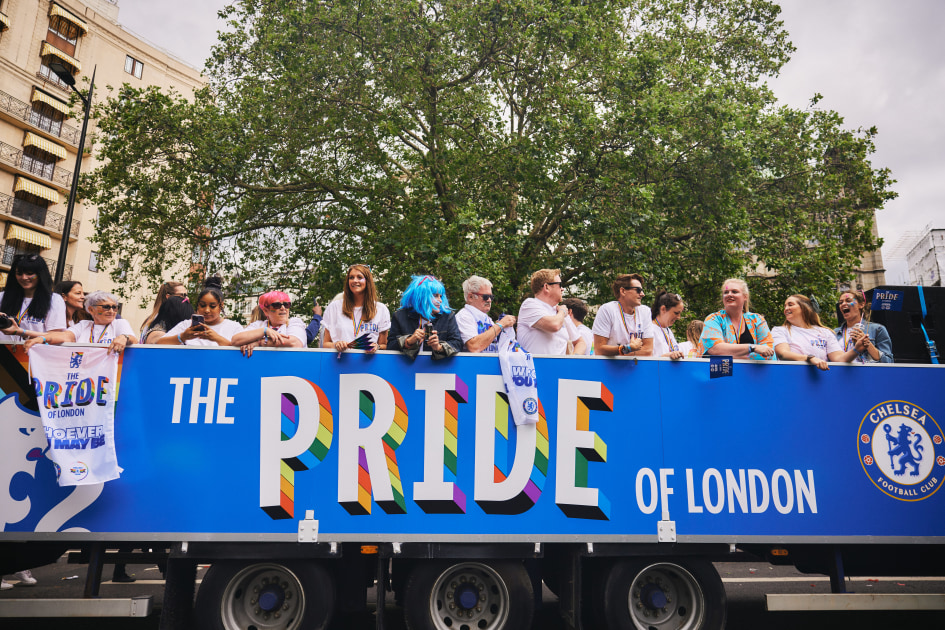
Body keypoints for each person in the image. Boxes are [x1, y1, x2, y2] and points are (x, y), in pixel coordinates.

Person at [25, 291, 135, 354]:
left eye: (114, 307)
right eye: (106, 307)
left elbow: (133, 339)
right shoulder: (84, 325)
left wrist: (124, 337)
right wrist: (43, 339)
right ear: (91, 310)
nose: (111, 311)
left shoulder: (119, 323)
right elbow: (65, 336)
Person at [697, 278, 775, 360]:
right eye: (726, 292)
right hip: (721, 371)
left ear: (745, 296)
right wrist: (752, 348)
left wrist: (730, 355)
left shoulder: (757, 320)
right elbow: (714, 348)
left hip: (752, 372)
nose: (729, 294)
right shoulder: (713, 319)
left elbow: (769, 352)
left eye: (734, 291)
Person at [388, 275, 462, 359]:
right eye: (435, 296)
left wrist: (439, 347)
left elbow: (458, 344)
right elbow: (390, 346)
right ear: (421, 297)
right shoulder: (400, 316)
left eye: (440, 296)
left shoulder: (448, 316)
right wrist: (408, 341)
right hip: (407, 369)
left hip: (438, 369)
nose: (440, 300)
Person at [0, 254, 67, 345]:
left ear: (40, 274)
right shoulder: (2, 297)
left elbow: (55, 336)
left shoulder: (54, 300)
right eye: (19, 273)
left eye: (30, 273)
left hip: (34, 355)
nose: (24, 277)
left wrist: (20, 331)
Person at [322, 265, 390, 353]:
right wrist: (336, 344)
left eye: (359, 277)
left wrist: (377, 346)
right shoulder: (334, 307)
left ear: (368, 281)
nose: (355, 280)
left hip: (368, 363)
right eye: (351, 277)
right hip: (340, 363)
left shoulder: (381, 309)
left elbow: (385, 345)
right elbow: (325, 344)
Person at [517, 269, 585, 355]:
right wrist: (562, 312)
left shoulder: (559, 311)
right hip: (535, 367)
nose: (562, 289)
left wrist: (572, 361)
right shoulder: (529, 304)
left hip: (558, 367)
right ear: (546, 287)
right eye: (560, 285)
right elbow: (554, 326)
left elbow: (580, 342)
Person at [158, 278, 241, 346]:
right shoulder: (186, 325)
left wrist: (216, 338)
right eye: (202, 305)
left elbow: (239, 353)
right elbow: (159, 344)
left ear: (221, 305)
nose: (207, 310)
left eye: (212, 306)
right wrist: (183, 336)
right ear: (197, 305)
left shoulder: (234, 327)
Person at [772, 295, 847, 370]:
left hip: (820, 378)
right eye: (785, 306)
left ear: (804, 308)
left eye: (790, 305)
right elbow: (783, 354)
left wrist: (856, 349)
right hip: (790, 376)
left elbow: (839, 359)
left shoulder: (825, 332)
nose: (786, 309)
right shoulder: (780, 331)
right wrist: (809, 358)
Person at [592, 273, 653, 357]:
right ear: (623, 291)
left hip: (633, 367)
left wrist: (623, 351)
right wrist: (627, 348)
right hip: (609, 368)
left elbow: (648, 351)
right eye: (638, 290)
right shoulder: (607, 310)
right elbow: (599, 350)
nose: (642, 294)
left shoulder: (645, 311)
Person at [232, 291, 307, 357]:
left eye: (286, 304)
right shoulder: (259, 325)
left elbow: (295, 343)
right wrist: (264, 331)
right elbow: (235, 340)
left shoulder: (294, 322)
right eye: (277, 305)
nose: (283, 308)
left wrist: (259, 342)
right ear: (266, 311)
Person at [455, 275, 516, 353]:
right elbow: (474, 347)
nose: (489, 300)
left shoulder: (487, 318)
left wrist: (501, 331)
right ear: (470, 297)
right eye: (485, 296)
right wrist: (500, 325)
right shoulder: (464, 316)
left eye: (491, 297)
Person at [835, 290, 894, 363]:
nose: (843, 304)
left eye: (848, 300)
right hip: (840, 373)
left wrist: (868, 344)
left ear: (861, 304)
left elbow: (889, 362)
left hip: (867, 373)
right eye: (840, 302)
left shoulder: (877, 329)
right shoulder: (834, 333)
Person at [651, 291, 685, 360]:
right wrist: (667, 356)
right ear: (663, 309)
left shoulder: (668, 330)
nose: (679, 317)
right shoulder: (649, 329)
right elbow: (645, 359)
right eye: (676, 313)